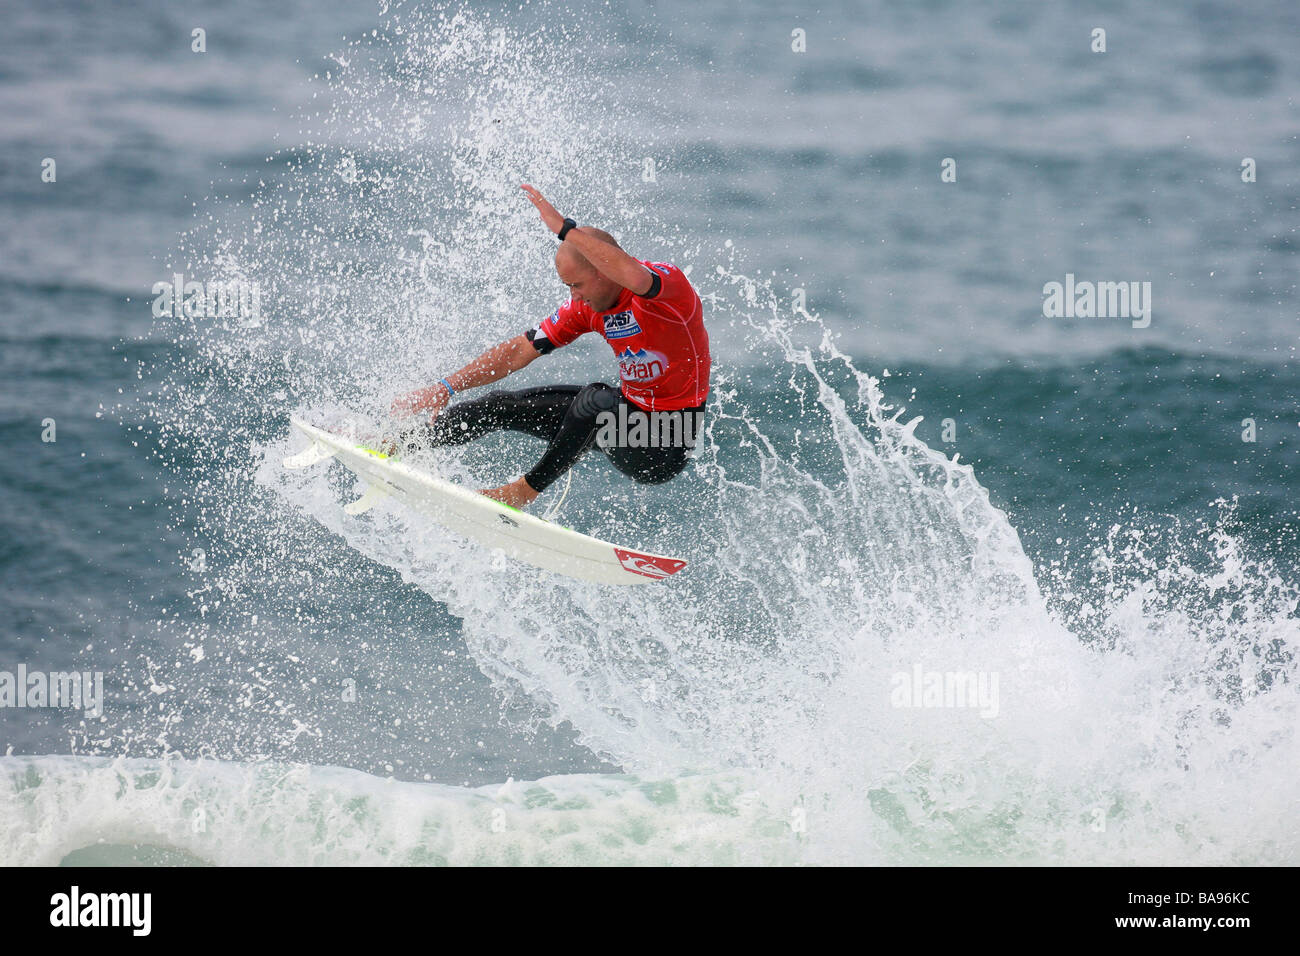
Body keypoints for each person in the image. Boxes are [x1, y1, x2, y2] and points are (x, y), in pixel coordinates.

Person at [389, 184, 711, 510]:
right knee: (500, 405)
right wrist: (447, 386)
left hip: (665, 442)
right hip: (623, 417)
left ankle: (522, 492)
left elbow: (635, 276)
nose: (574, 296)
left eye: (576, 285)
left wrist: (565, 229)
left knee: (595, 400)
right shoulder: (587, 308)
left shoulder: (667, 291)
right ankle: (398, 445)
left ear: (603, 271)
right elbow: (519, 350)